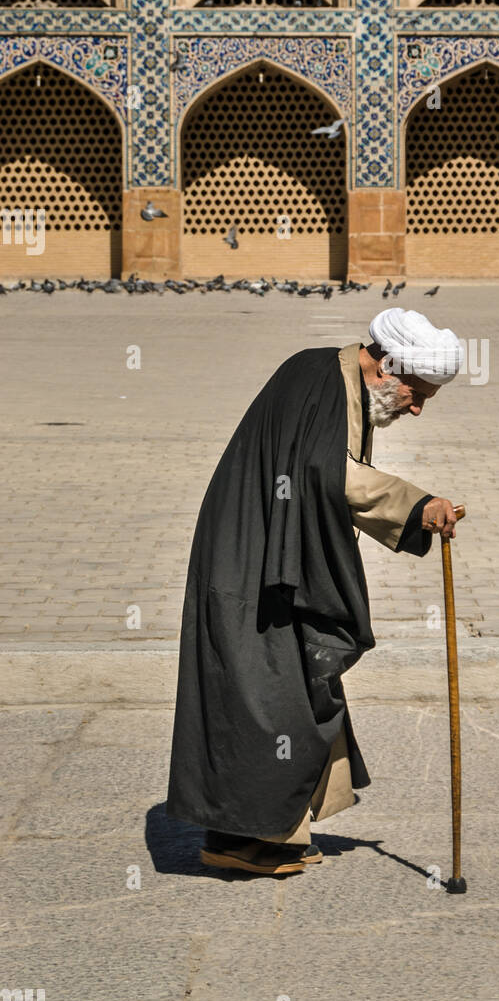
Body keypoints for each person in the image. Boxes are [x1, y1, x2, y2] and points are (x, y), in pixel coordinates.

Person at [166, 306, 463, 876]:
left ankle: (269, 832)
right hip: (250, 564)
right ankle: (239, 838)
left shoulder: (337, 379)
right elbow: (328, 475)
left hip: (270, 556)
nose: (418, 407)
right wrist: (419, 505)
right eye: (418, 393)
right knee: (266, 695)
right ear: (390, 369)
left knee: (286, 687)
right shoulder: (319, 380)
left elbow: (327, 474)